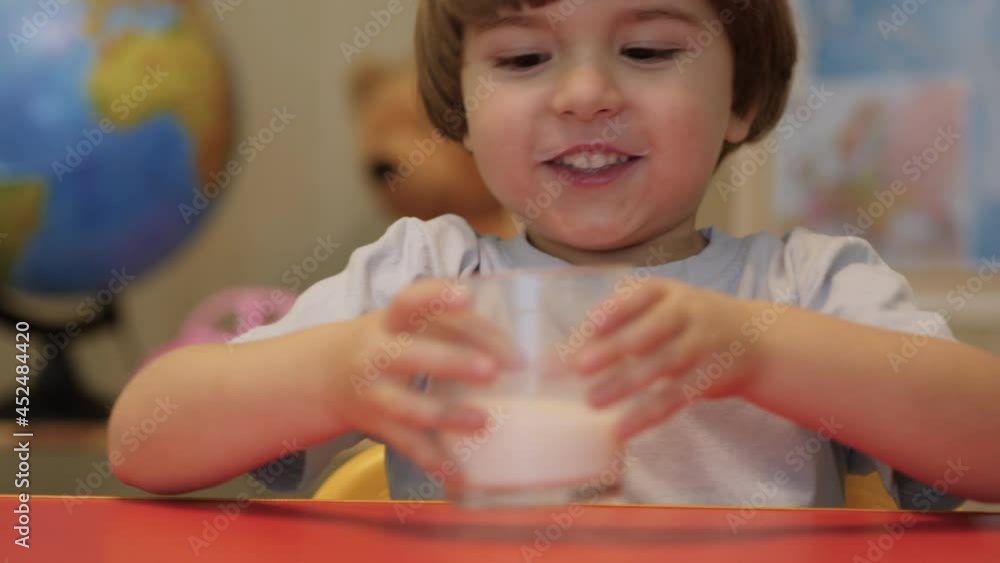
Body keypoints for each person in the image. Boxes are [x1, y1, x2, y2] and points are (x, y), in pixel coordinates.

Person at [108, 0, 1000, 509]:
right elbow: (142, 438)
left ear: (743, 96)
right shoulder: (427, 277)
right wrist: (337, 371)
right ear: (459, 106)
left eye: (648, 48)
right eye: (525, 56)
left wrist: (762, 350)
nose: (582, 94)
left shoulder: (805, 284)